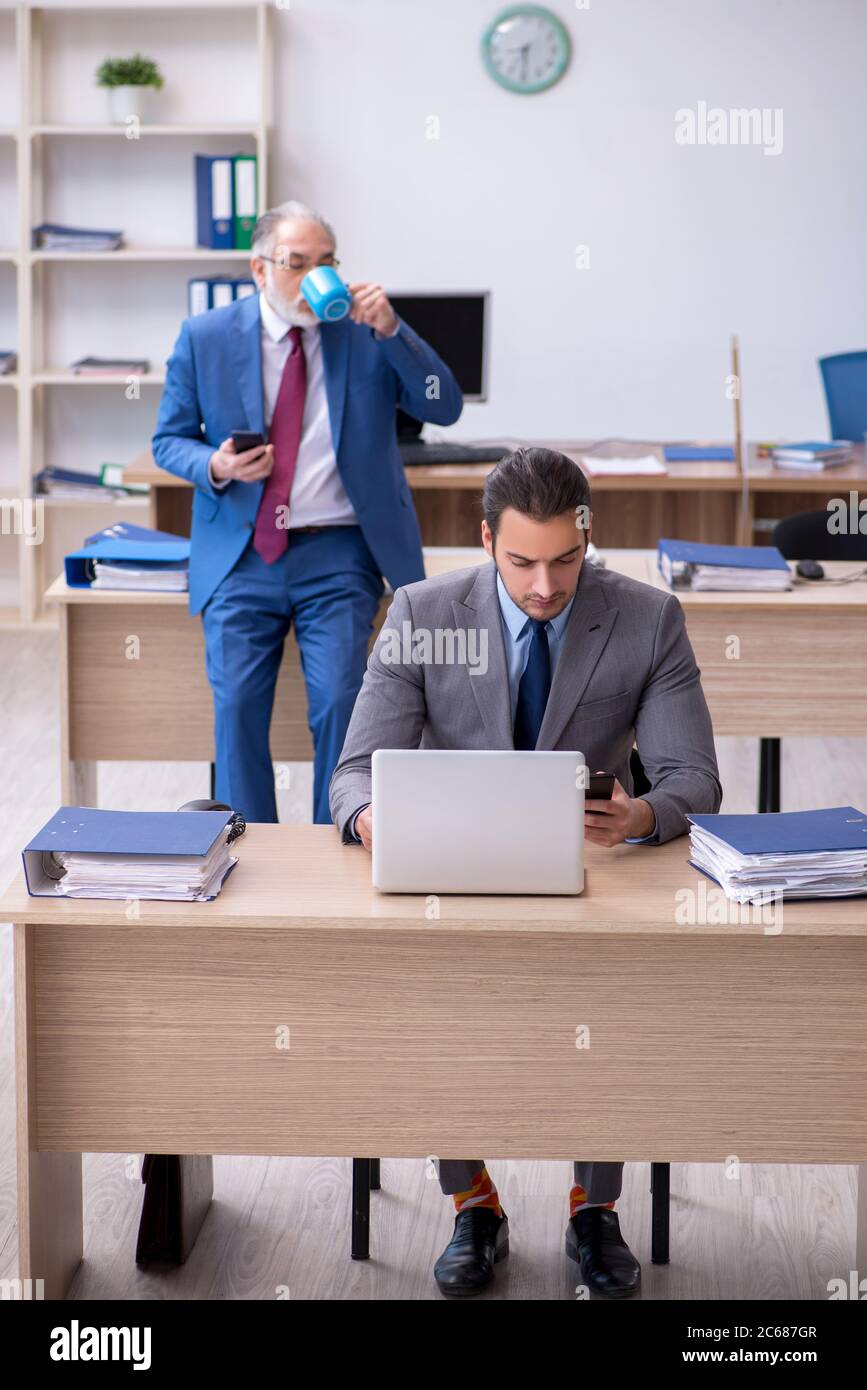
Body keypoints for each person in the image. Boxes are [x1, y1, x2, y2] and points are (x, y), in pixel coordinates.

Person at [330, 446, 723, 1298]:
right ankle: (473, 1201)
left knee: (615, 985)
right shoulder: (422, 612)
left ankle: (595, 1209)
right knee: (434, 987)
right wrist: (371, 818)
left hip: (592, 877)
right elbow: (353, 771)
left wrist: (642, 814)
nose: (543, 585)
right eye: (520, 562)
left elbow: (695, 779)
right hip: (452, 879)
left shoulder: (646, 617)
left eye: (563, 561)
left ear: (588, 538)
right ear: (484, 541)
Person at [152, 200, 462, 823]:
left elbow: (444, 406)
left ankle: (339, 841)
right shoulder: (206, 336)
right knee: (237, 703)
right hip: (243, 553)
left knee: (342, 699)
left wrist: (394, 330)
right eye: (298, 263)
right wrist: (217, 466)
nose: (315, 277)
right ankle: (243, 845)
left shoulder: (366, 335)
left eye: (327, 264)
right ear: (260, 269)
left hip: (338, 552)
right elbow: (169, 440)